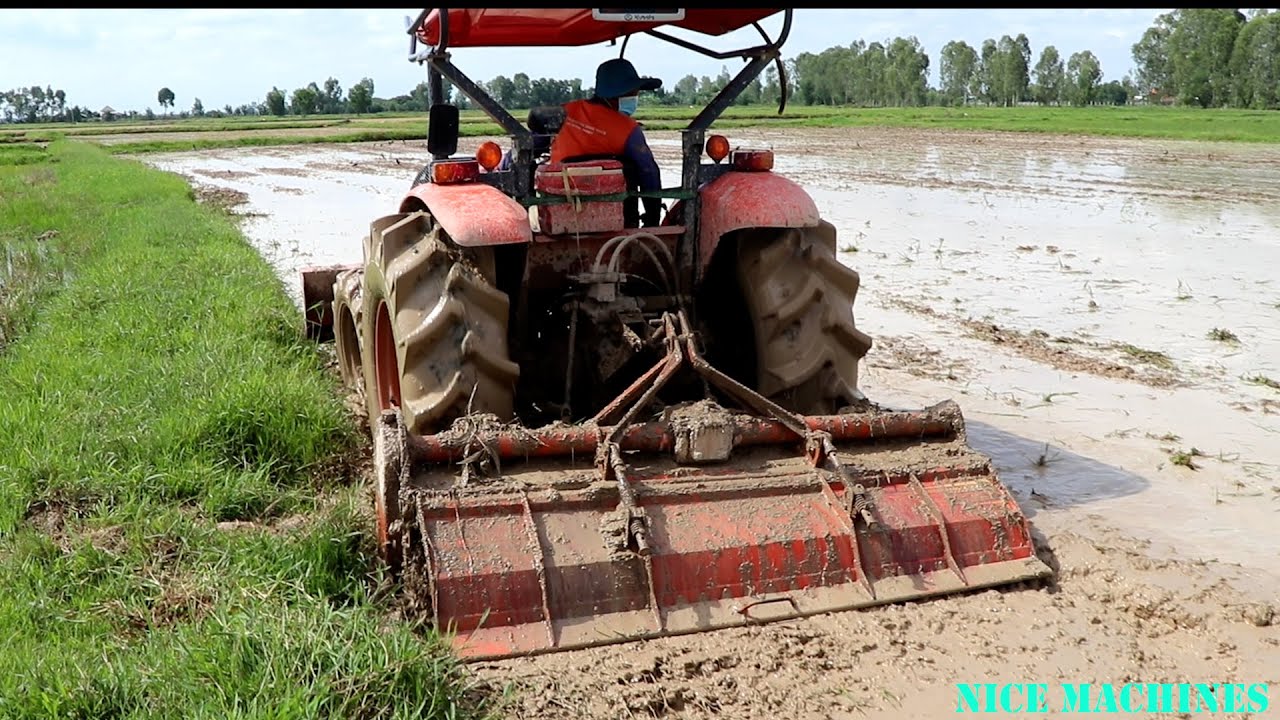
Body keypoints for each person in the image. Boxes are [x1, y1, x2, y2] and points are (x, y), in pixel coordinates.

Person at [549, 58, 664, 228]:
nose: (635, 97)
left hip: (561, 213)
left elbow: (529, 142)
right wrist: (653, 221)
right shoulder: (629, 129)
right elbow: (648, 172)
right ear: (618, 94)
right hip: (619, 219)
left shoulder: (562, 112)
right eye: (633, 93)